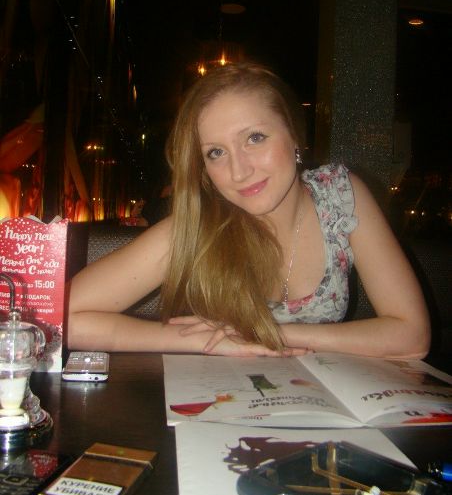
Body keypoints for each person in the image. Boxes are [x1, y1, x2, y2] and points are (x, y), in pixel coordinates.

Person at [68, 62, 431, 358]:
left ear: (294, 135)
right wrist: (201, 341)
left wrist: (271, 334)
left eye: (255, 138)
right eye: (216, 152)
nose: (239, 171)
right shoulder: (199, 225)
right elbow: (61, 317)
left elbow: (412, 336)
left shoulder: (340, 196)